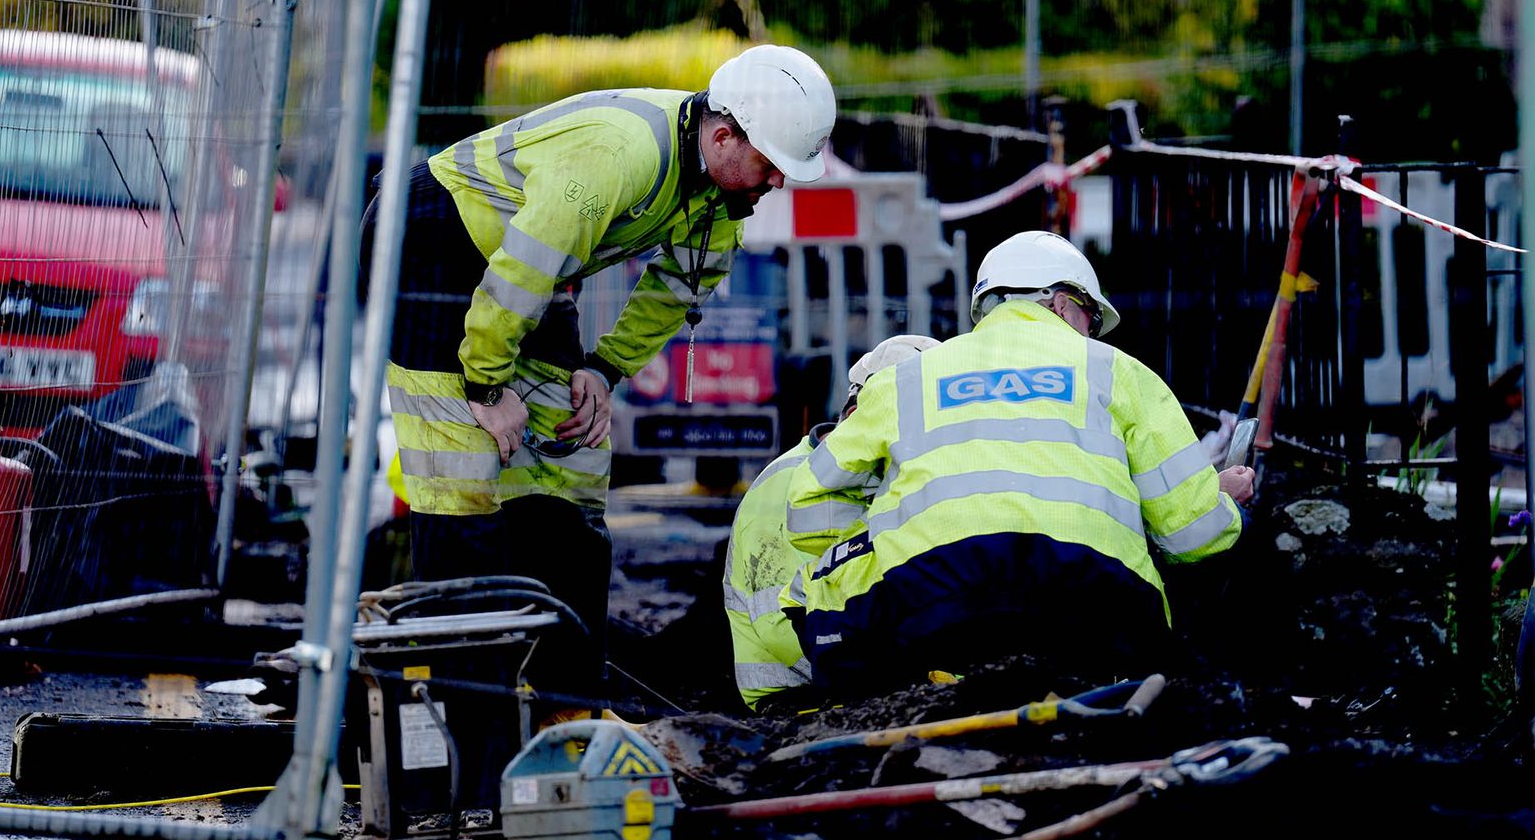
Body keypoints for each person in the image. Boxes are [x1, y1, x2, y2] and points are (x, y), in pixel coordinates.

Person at [365, 44, 836, 710]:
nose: (777, 183)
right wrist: (486, 388)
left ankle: (567, 706)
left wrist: (602, 369)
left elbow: (677, 288)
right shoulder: (617, 154)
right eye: (771, 165)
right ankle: (470, 727)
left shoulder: (722, 189)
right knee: (462, 481)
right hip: (429, 248)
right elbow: (521, 272)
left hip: (524, 274)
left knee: (573, 467)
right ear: (725, 136)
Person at [784, 231, 1256, 694]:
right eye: (1091, 315)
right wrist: (1224, 504)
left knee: (815, 588)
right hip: (1100, 607)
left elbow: (806, 507)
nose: (1090, 330)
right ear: (1060, 302)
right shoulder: (1120, 372)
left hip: (935, 600)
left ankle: (855, 705)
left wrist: (888, 534)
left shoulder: (906, 379)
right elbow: (1196, 537)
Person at [724, 334, 940, 713]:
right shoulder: (787, 484)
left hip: (862, 689)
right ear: (859, 415)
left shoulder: (886, 479)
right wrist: (911, 671)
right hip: (795, 703)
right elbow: (783, 627)